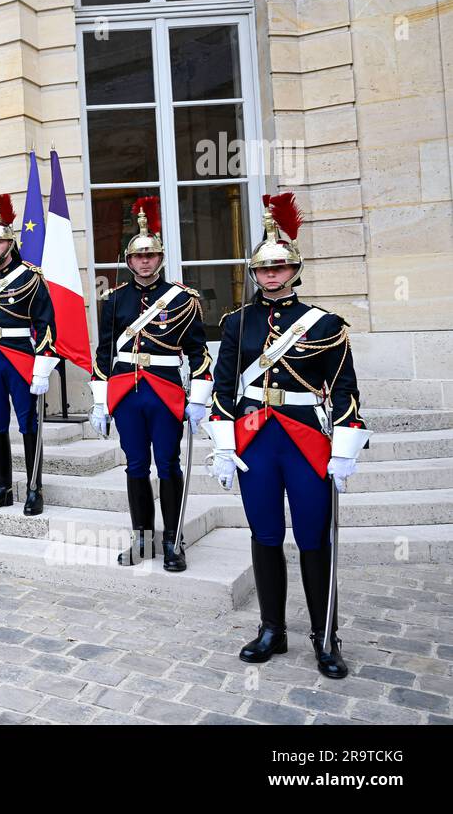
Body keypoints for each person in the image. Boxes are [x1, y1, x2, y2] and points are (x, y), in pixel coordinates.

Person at [208, 193, 369, 680]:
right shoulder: (237, 322)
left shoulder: (324, 323)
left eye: (279, 268)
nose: (271, 276)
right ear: (254, 274)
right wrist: (222, 443)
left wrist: (344, 446)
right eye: (263, 269)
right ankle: (272, 629)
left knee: (314, 539)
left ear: (294, 270)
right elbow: (223, 387)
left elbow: (344, 388)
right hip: (256, 437)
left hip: (305, 440)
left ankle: (325, 636)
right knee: (265, 535)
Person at [88, 197, 212, 571]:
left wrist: (200, 399)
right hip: (126, 392)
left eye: (151, 255)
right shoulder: (114, 300)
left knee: (168, 465)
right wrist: (99, 398)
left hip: (165, 390)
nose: (145, 261)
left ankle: (173, 540)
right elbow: (105, 351)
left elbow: (198, 352)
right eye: (138, 256)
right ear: (129, 261)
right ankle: (142, 537)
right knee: (136, 465)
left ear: (160, 259)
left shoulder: (183, 300)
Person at [0, 192, 58, 514]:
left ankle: (34, 488)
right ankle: (2, 487)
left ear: (10, 243)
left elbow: (46, 324)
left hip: (20, 359)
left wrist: (42, 368)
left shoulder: (31, 278)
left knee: (29, 424)